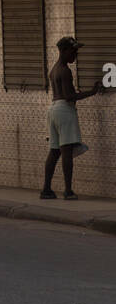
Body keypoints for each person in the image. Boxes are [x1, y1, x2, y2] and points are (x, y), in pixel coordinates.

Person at [41, 37, 101, 200]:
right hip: (64, 111)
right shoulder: (65, 70)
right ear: (63, 51)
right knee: (66, 151)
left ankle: (46, 189)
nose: (75, 54)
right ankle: (68, 191)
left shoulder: (54, 69)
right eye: (73, 51)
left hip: (53, 109)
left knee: (54, 151)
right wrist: (92, 92)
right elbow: (69, 96)